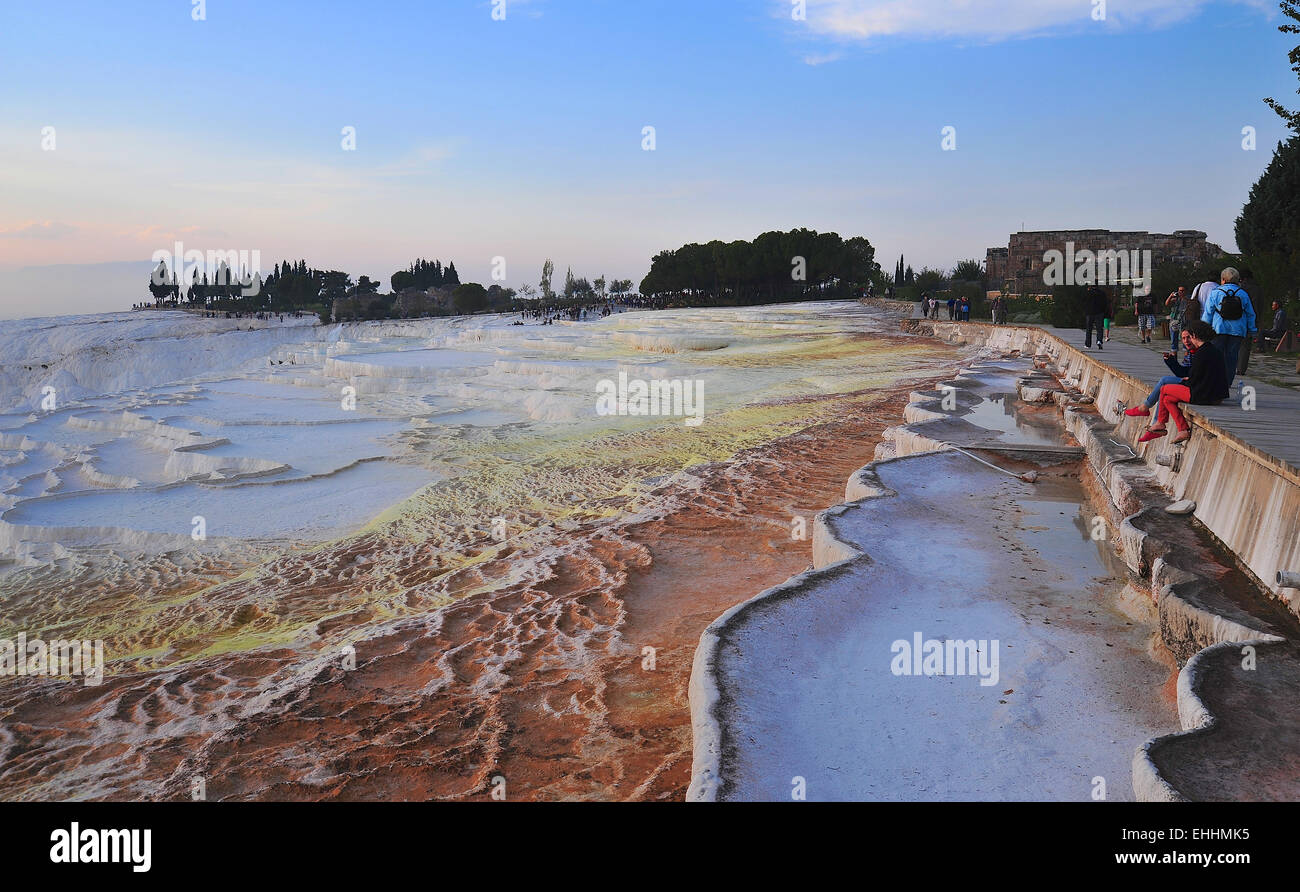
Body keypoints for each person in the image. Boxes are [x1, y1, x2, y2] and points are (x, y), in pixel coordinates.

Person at [1137, 321, 1228, 445]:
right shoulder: (1214, 350)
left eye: (1189, 336)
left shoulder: (1201, 353)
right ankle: (1182, 429)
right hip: (1216, 395)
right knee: (1167, 399)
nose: (1188, 339)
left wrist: (1185, 382)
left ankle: (1161, 423)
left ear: (1194, 335)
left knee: (1164, 389)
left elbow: (1194, 379)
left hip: (1203, 395)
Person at [1200, 266, 1257, 388]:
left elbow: (1208, 313)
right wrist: (1252, 330)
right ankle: (1227, 383)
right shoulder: (1243, 294)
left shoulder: (1216, 293)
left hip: (1218, 329)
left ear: (1223, 279)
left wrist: (1203, 329)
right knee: (1232, 358)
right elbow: (1250, 314)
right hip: (1237, 331)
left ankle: (1215, 380)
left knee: (1216, 356)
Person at [1125, 329, 1196, 417]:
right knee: (1164, 391)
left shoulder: (1198, 353)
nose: (1186, 341)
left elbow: (1189, 374)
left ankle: (1145, 408)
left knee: (1164, 382)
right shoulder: (1190, 352)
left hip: (1195, 387)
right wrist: (1171, 362)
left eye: (1188, 337)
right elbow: (1182, 373)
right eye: (1183, 338)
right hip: (1189, 382)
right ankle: (1156, 424)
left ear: (1194, 337)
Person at [1165, 286, 1189, 355]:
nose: (1181, 292)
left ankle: (1186, 358)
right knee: (1174, 340)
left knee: (1185, 340)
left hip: (1184, 321)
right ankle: (1174, 357)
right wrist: (1170, 296)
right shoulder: (1175, 299)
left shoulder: (1188, 299)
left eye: (1183, 290)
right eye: (1180, 291)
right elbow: (1166, 304)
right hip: (1174, 320)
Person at [1084, 284, 1109, 350]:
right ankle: (1099, 341)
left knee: (1089, 329)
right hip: (1099, 313)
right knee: (1099, 328)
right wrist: (1104, 312)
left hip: (1089, 313)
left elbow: (1084, 302)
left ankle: (1088, 344)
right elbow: (1105, 303)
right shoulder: (1102, 293)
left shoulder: (1088, 293)